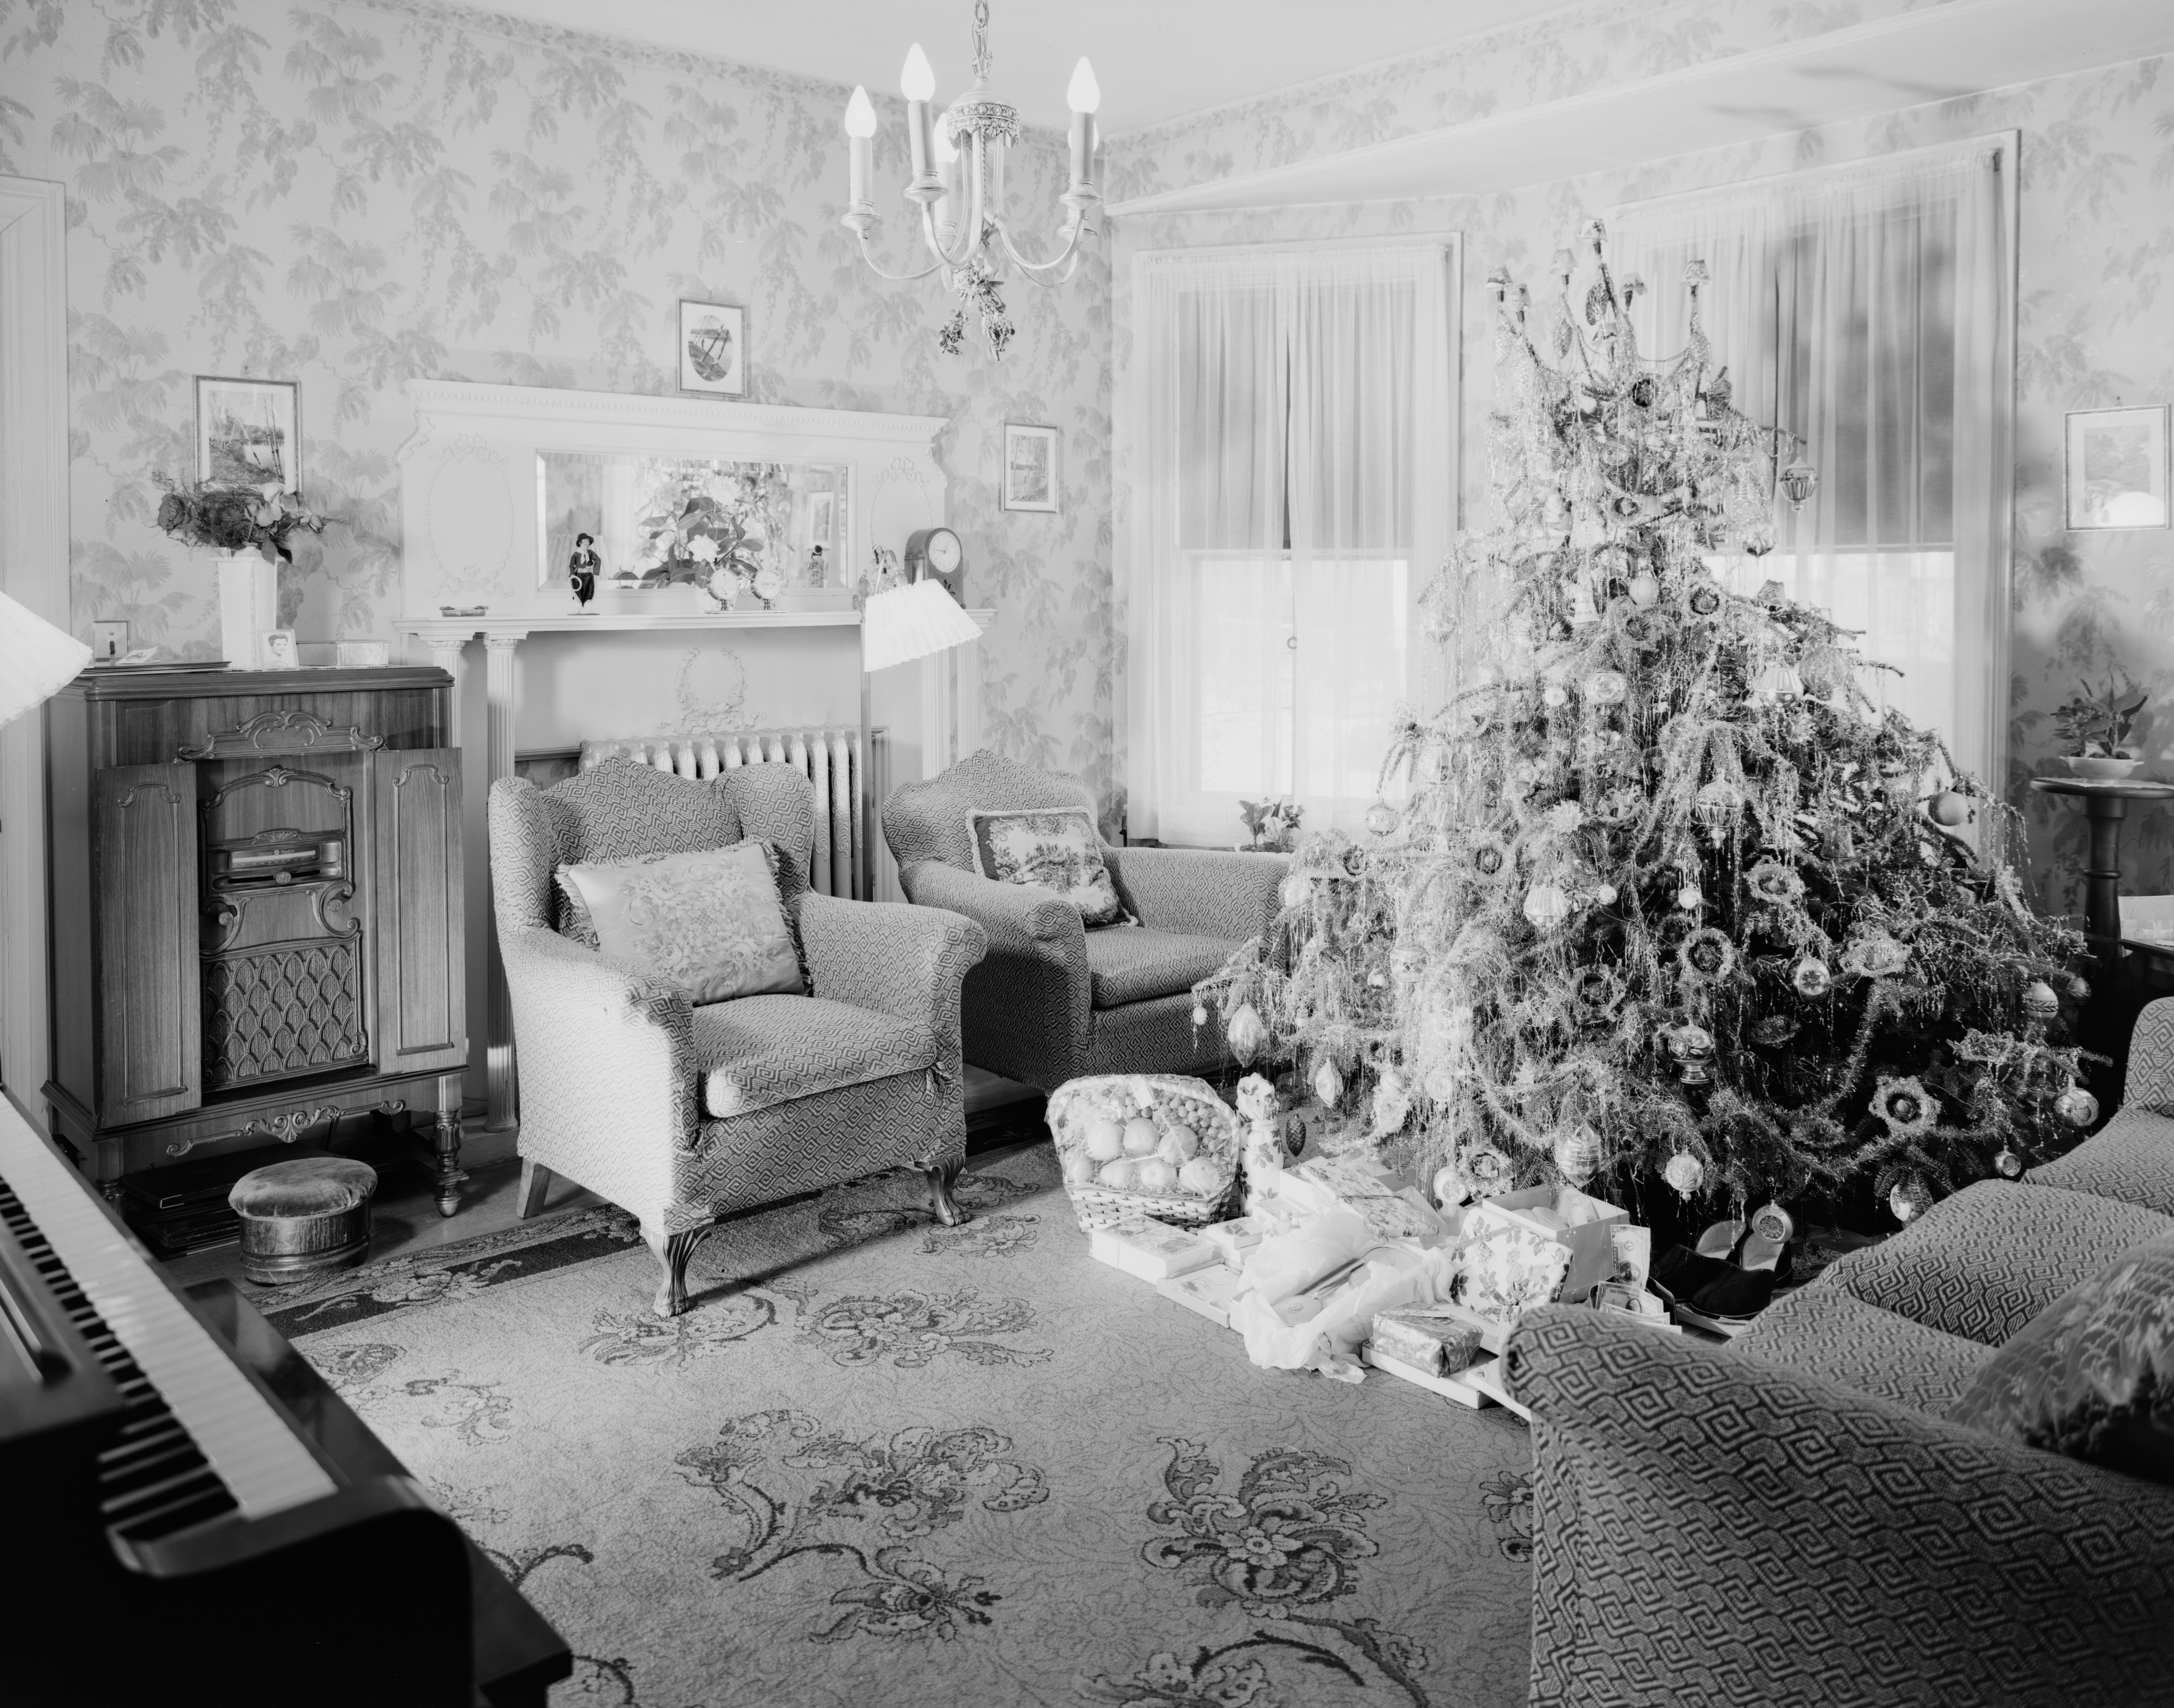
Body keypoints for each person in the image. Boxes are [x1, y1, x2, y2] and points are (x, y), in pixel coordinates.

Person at [568, 532, 601, 611]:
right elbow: (572, 566)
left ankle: (589, 609)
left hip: (589, 576)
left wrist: (595, 573)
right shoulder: (576, 554)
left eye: (588, 541)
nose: (588, 543)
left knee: (590, 591)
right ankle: (578, 609)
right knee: (578, 592)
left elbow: (598, 560)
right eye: (586, 541)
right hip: (579, 576)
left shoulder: (590, 553)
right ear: (581, 543)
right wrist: (572, 575)